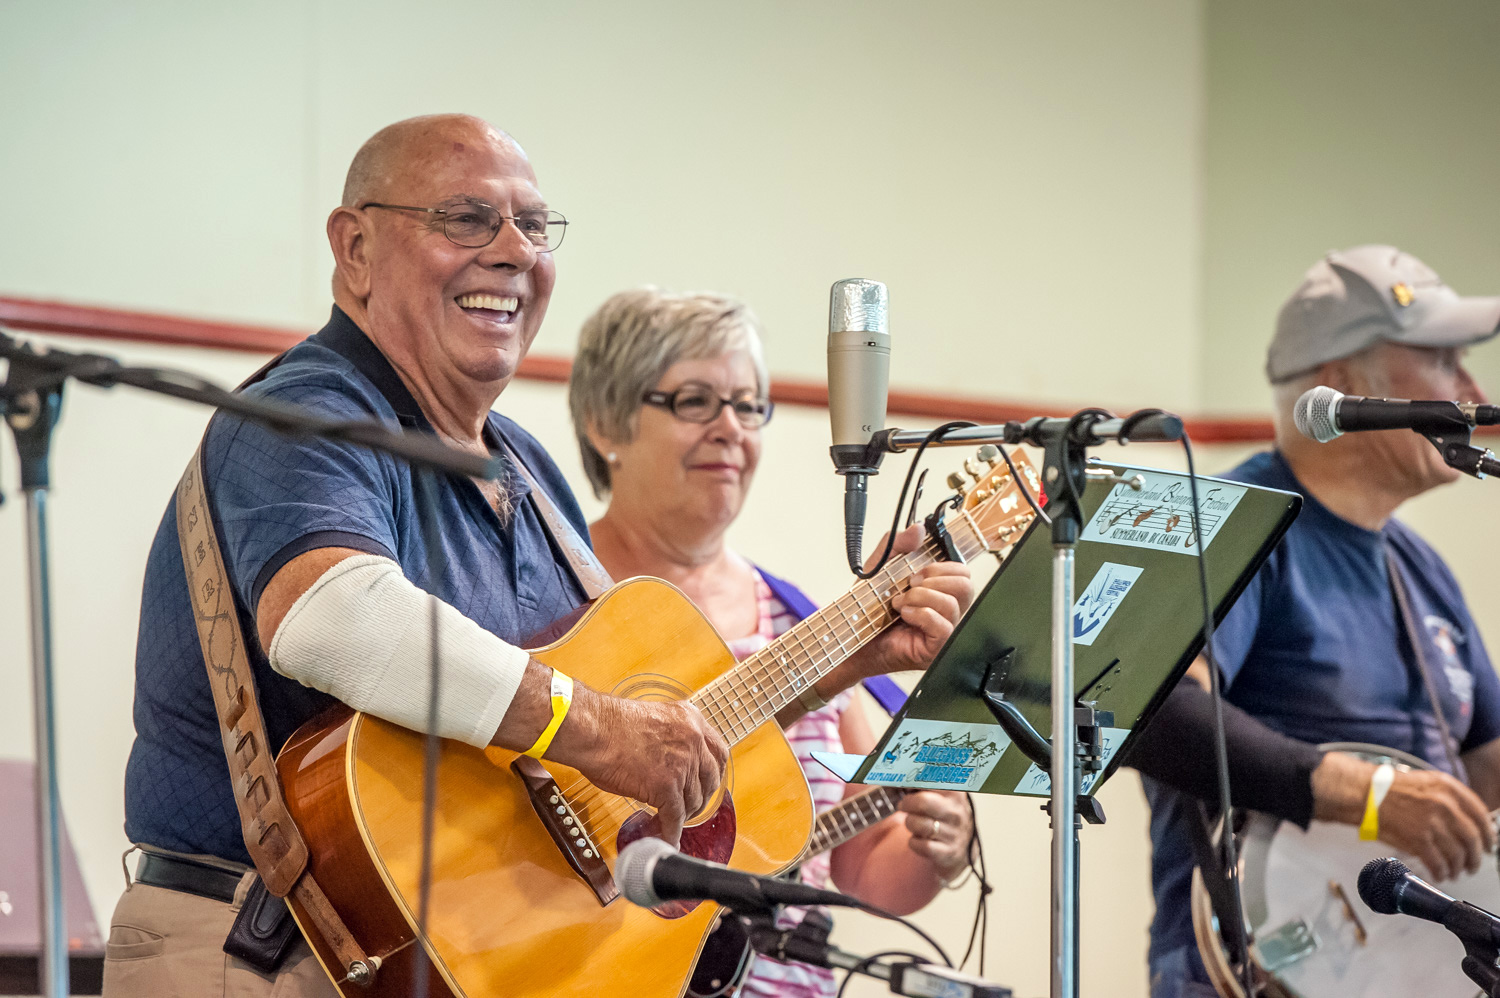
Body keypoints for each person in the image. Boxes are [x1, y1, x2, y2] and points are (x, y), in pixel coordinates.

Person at [101, 114, 967, 998]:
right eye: (468, 219)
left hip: (456, 964)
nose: (514, 251)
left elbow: (631, 754)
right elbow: (337, 620)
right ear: (353, 248)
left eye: (532, 225)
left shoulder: (524, 465)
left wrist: (840, 660)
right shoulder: (305, 415)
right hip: (260, 954)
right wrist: (594, 726)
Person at [569, 288, 977, 997]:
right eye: (696, 400)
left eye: (749, 404)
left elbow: (860, 869)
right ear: (608, 420)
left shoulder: (803, 625)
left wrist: (936, 846)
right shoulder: (560, 599)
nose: (732, 428)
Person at [1125, 245, 1500, 998]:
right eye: (1442, 362)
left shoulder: (1418, 566)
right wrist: (1365, 795)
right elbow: (1147, 707)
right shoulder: (1224, 523)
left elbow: (1488, 768)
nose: (1472, 390)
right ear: (1341, 384)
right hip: (1250, 970)